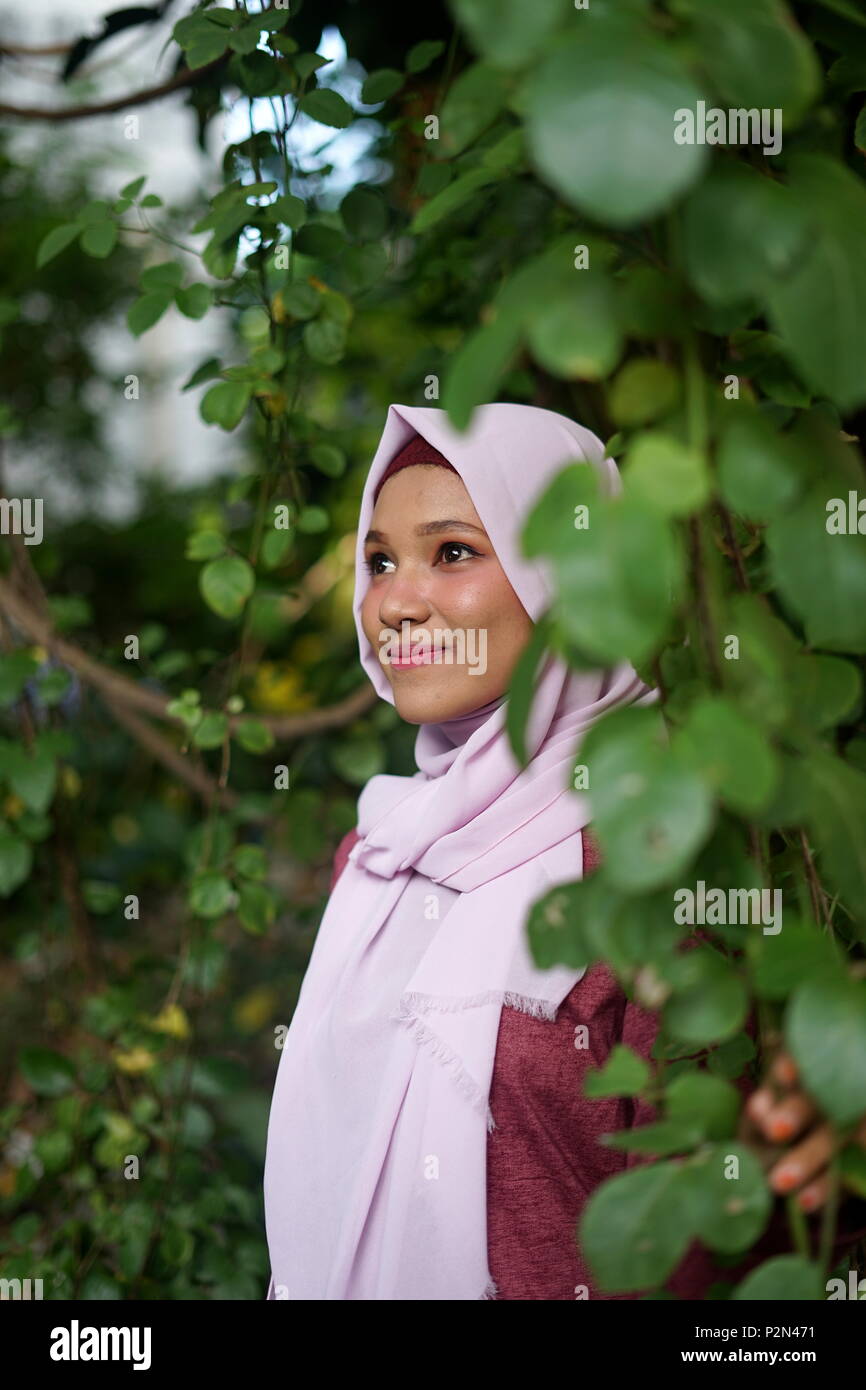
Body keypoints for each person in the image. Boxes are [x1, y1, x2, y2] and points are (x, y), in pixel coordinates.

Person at [262, 402, 866, 1300]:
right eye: (379, 560)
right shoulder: (381, 850)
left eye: (454, 551)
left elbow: (737, 1237)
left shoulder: (656, 869)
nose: (395, 600)